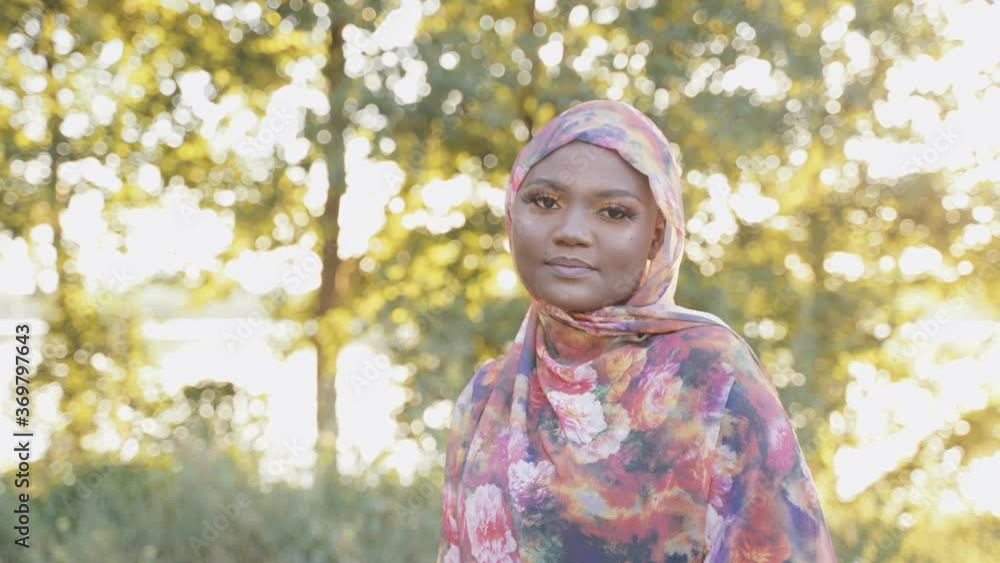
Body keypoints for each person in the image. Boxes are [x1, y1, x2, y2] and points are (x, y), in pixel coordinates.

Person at [437, 99, 837, 562]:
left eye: (613, 212)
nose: (571, 232)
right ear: (512, 213)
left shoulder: (711, 374)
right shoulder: (485, 399)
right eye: (544, 202)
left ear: (656, 233)